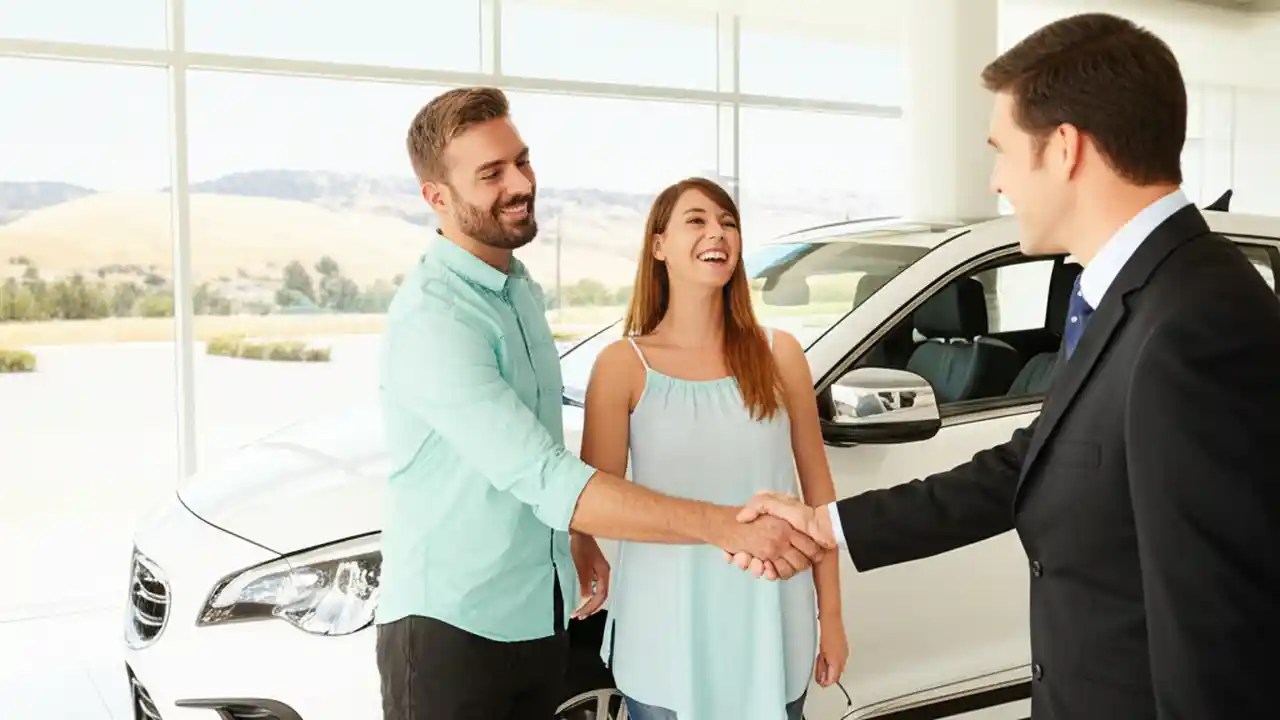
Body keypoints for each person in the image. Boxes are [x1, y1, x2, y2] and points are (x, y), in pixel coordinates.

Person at [732, 12, 1280, 720]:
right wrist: (825, 525)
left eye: (1001, 150)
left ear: (1063, 149)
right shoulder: (1124, 294)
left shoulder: (1196, 325)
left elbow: (1221, 638)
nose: (995, 181)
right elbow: (1032, 464)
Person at [375, 87, 830, 720]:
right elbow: (550, 476)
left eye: (522, 161)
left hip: (539, 615)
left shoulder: (518, 292)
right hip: (453, 625)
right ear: (436, 197)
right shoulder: (437, 318)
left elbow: (547, 450)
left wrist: (577, 546)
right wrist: (725, 524)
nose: (520, 183)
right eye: (491, 173)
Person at [578, 177, 848, 720]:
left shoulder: (781, 355)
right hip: (664, 625)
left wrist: (833, 617)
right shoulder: (622, 366)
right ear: (659, 246)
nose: (717, 232)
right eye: (696, 220)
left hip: (771, 620)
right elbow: (591, 502)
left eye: (728, 222)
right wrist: (583, 550)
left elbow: (820, 499)